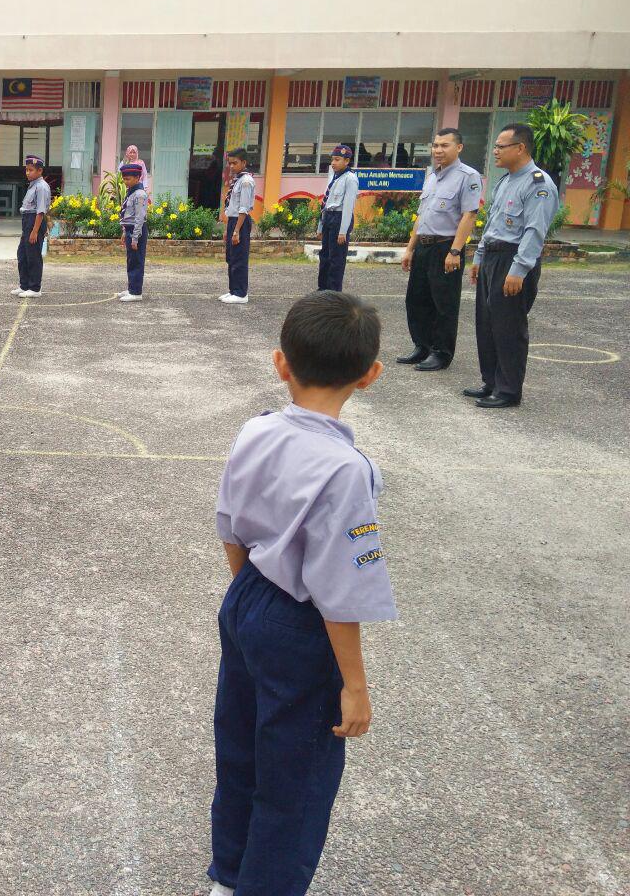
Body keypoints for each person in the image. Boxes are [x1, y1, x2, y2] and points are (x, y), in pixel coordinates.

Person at [209, 290, 397, 896]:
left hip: (248, 596)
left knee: (241, 750)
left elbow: (230, 522)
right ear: (370, 376)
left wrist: (247, 601)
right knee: (296, 780)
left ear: (280, 362)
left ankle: (230, 876)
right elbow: (340, 588)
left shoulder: (256, 430)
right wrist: (356, 685)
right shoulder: (347, 470)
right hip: (300, 622)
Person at [464, 122, 557, 409]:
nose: (495, 152)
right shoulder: (506, 180)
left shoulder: (539, 185)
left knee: (508, 327)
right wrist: (479, 256)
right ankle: (491, 381)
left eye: (500, 146)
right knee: (487, 324)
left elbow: (534, 231)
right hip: (492, 257)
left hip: (513, 260)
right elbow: (492, 223)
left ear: (520, 148)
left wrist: (519, 270)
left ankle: (508, 391)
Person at [397, 128, 483, 372]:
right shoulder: (433, 176)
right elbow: (421, 216)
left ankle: (441, 352)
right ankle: (422, 346)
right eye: (435, 145)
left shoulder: (468, 176)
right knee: (417, 300)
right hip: (424, 246)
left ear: (459, 148)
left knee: (443, 304)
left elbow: (469, 215)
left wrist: (455, 252)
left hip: (446, 247)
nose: (438, 150)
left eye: (444, 145)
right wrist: (410, 249)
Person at [316, 144, 359, 292]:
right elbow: (325, 203)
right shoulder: (334, 177)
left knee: (336, 260)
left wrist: (343, 231)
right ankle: (322, 290)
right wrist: (320, 225)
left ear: (346, 161)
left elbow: (348, 206)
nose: (333, 163)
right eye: (332, 160)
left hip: (340, 219)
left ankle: (334, 293)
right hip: (329, 217)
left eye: (337, 159)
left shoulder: (350, 179)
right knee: (324, 256)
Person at [220, 149, 256, 305]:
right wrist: (228, 229)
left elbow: (244, 208)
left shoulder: (246, 181)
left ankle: (241, 293)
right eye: (230, 163)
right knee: (231, 257)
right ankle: (233, 290)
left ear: (244, 163)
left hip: (241, 222)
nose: (232, 166)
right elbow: (231, 207)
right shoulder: (237, 179)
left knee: (239, 257)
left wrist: (236, 230)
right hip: (233, 221)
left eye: (235, 163)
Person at [13, 154, 50, 299]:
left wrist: (34, 231)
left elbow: (40, 211)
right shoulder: (33, 185)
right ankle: (24, 285)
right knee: (22, 254)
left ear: (40, 171)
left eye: (31, 170)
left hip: (35, 222)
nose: (28, 172)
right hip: (28, 221)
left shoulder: (41, 187)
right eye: (27, 170)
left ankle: (35, 288)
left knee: (33, 255)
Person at [118, 162, 149, 302]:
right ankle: (131, 288)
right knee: (131, 261)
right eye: (124, 179)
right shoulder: (131, 192)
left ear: (137, 178)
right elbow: (127, 215)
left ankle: (136, 292)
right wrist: (125, 232)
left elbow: (139, 218)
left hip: (138, 231)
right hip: (130, 229)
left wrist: (135, 238)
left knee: (137, 261)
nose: (125, 182)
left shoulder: (140, 195)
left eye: (128, 179)